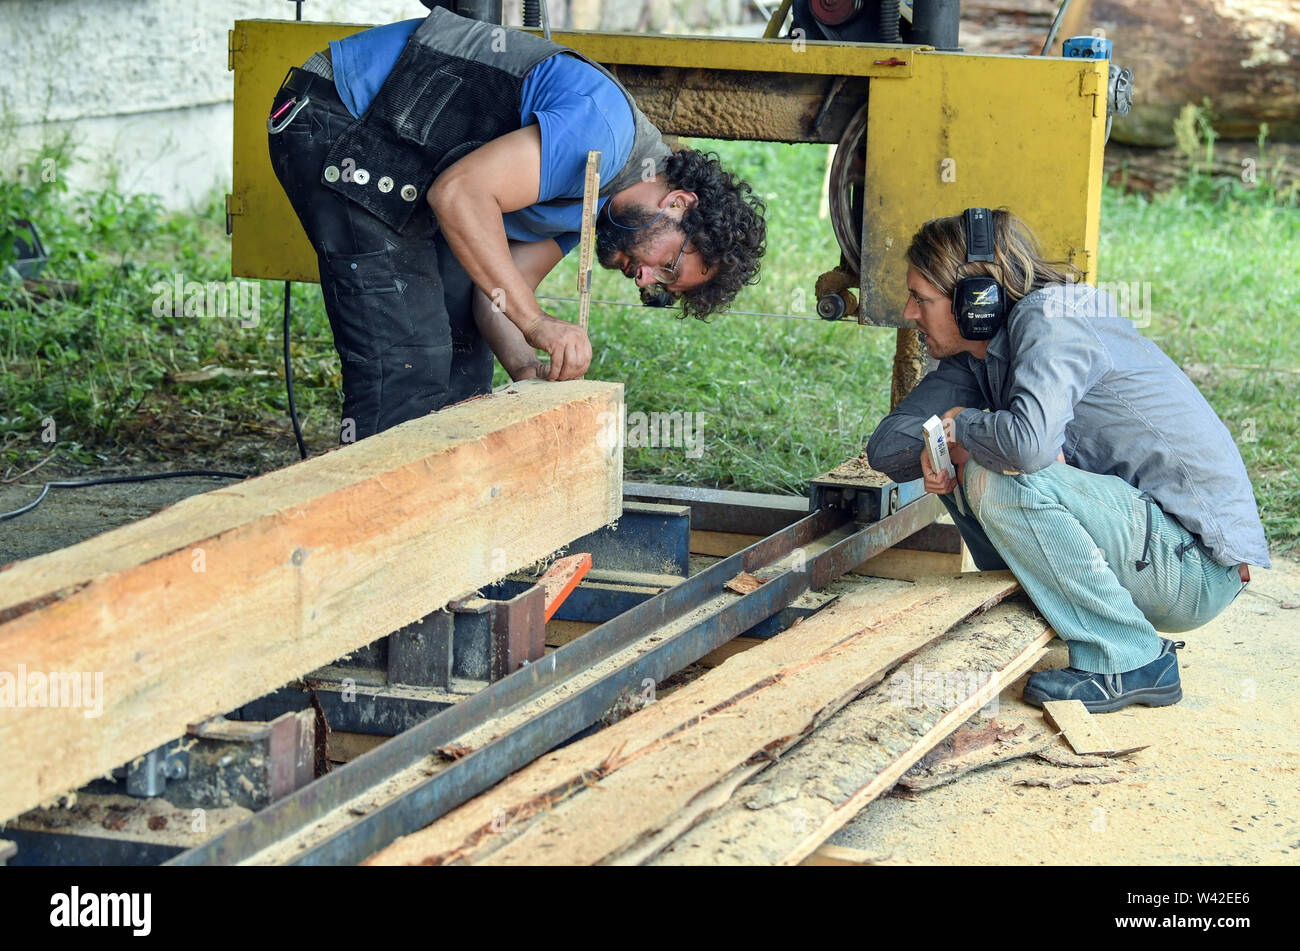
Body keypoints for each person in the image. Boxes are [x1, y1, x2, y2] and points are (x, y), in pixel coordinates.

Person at [267, 4, 766, 441]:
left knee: (465, 362)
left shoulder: (600, 207)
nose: (645, 279)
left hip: (407, 163)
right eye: (668, 268)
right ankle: (372, 538)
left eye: (659, 288)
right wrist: (537, 321)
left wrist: (530, 370)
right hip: (341, 113)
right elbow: (460, 194)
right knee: (408, 362)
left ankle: (445, 526)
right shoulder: (602, 137)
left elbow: (494, 300)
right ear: (678, 204)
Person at [866, 208, 1269, 713]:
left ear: (977, 303)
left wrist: (964, 428)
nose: (908, 313)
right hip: (1145, 553)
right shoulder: (978, 357)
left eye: (920, 299)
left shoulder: (1052, 317)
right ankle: (1046, 611)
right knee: (977, 456)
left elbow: (1028, 447)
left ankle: (1132, 658)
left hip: (1195, 571)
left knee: (997, 468)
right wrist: (943, 440)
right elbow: (885, 449)